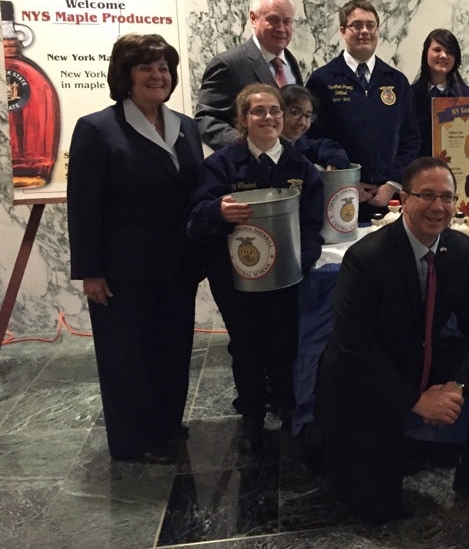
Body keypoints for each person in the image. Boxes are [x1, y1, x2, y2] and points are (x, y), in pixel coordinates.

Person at [312, 156, 469, 522]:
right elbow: (354, 347)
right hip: (366, 370)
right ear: (405, 200)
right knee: (380, 509)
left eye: (447, 197)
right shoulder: (366, 258)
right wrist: (416, 401)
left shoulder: (461, 250)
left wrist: (458, 386)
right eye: (426, 195)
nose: (438, 207)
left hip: (425, 349)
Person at [67, 33, 204, 464]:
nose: (157, 75)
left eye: (163, 67)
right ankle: (132, 440)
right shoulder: (97, 128)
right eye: (145, 66)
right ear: (125, 75)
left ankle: (164, 424)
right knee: (128, 355)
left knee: (172, 348)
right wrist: (90, 270)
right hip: (123, 270)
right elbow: (83, 205)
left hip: (178, 266)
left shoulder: (187, 127)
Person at [187, 83, 324, 448]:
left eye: (275, 110)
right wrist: (217, 210)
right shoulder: (220, 165)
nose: (268, 117)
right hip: (235, 277)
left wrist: (301, 263)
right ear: (243, 119)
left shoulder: (302, 169)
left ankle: (287, 405)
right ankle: (251, 415)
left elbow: (312, 226)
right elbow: (195, 220)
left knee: (284, 343)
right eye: (258, 111)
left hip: (286, 279)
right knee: (247, 345)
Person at [306, 0, 420, 222]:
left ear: (378, 31)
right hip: (340, 199)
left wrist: (392, 185)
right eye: (356, 25)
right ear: (342, 31)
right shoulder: (322, 80)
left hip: (390, 201)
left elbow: (411, 139)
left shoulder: (396, 81)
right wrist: (346, 184)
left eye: (370, 25)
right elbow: (311, 139)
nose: (364, 31)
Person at [196, 0, 304, 150]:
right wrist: (249, 147)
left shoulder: (290, 62)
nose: (281, 28)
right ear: (253, 19)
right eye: (273, 20)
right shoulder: (228, 64)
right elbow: (206, 121)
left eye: (287, 21)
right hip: (247, 171)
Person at [410, 29, 469, 158]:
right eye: (437, 50)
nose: (443, 56)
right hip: (419, 168)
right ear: (426, 53)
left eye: (449, 52)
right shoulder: (410, 95)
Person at [279, 84, 350, 170]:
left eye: (308, 116)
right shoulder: (266, 144)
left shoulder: (301, 144)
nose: (302, 122)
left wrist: (334, 163)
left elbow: (329, 147)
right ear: (278, 112)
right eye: (295, 113)